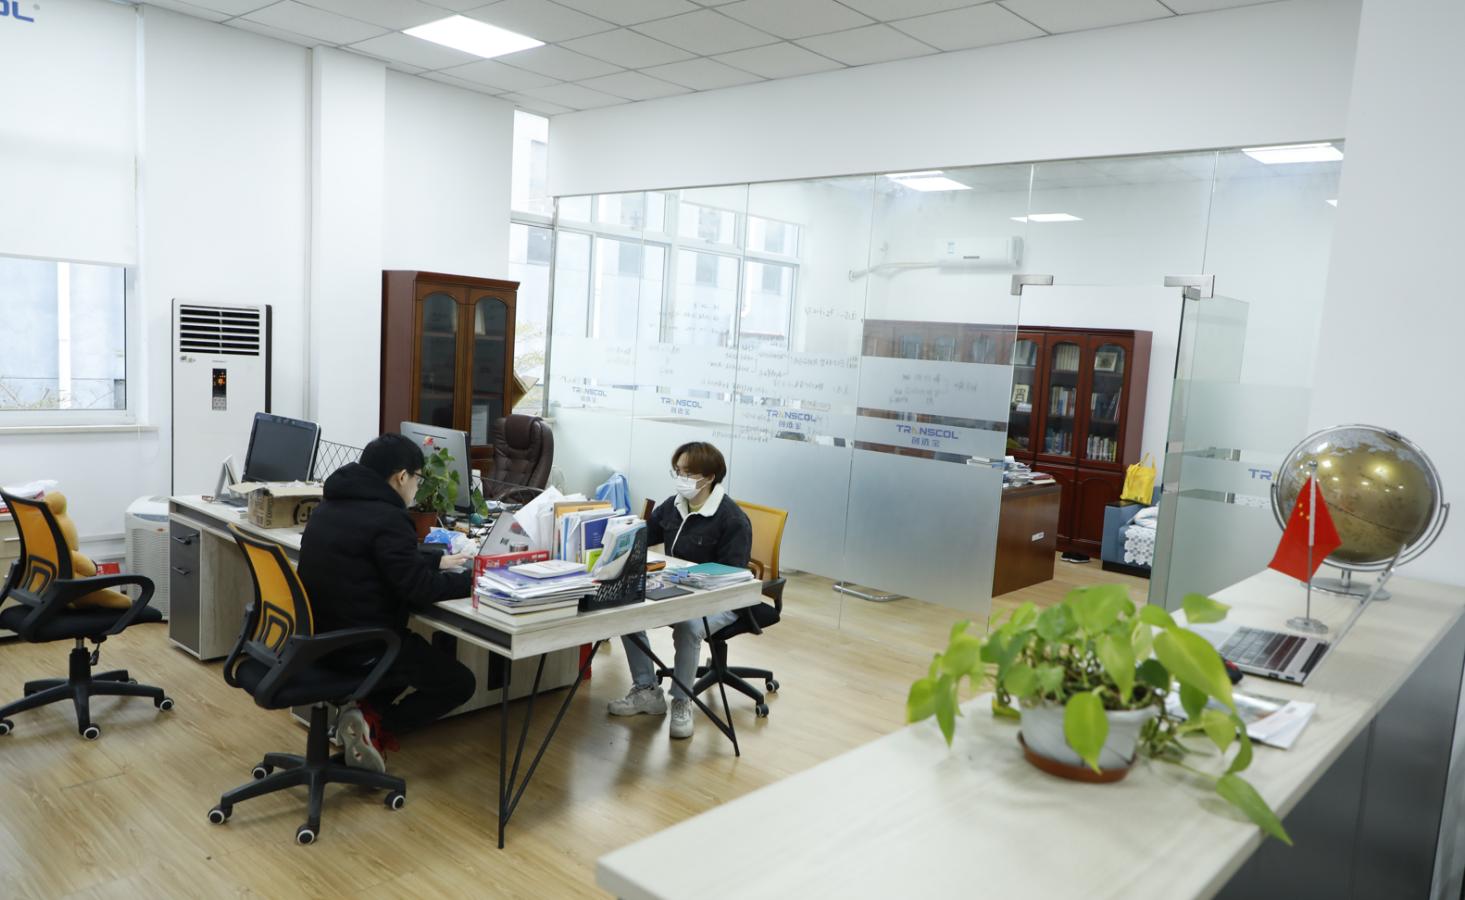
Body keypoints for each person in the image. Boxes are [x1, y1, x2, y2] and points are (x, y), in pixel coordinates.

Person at [298, 433, 476, 773]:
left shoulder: (331, 504)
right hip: (364, 646)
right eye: (417, 479)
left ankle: (364, 717)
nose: (417, 489)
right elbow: (420, 589)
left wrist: (433, 560)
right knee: (459, 683)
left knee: (412, 654)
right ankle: (376, 727)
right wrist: (473, 581)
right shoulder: (390, 518)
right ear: (401, 477)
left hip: (317, 640)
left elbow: (371, 555)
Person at [608, 441, 751, 739]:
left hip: (723, 601)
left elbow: (732, 578)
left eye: (688, 473)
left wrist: (693, 582)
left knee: (689, 626)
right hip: (678, 589)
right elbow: (643, 536)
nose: (681, 478)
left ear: (709, 477)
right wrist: (616, 540)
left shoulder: (732, 519)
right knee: (626, 610)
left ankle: (682, 701)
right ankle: (647, 690)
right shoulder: (673, 506)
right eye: (678, 471)